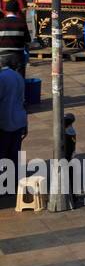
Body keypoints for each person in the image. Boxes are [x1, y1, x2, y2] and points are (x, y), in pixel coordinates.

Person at [0, 64, 27, 194]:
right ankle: (14, 182)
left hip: (5, 121)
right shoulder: (17, 76)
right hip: (19, 119)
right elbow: (22, 100)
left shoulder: (1, 78)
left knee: (3, 153)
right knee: (15, 152)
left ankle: (5, 184)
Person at [0, 0, 30, 77]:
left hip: (2, 57)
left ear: (5, 10)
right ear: (17, 11)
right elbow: (28, 40)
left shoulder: (1, 23)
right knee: (19, 80)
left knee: (3, 82)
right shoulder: (22, 23)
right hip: (18, 56)